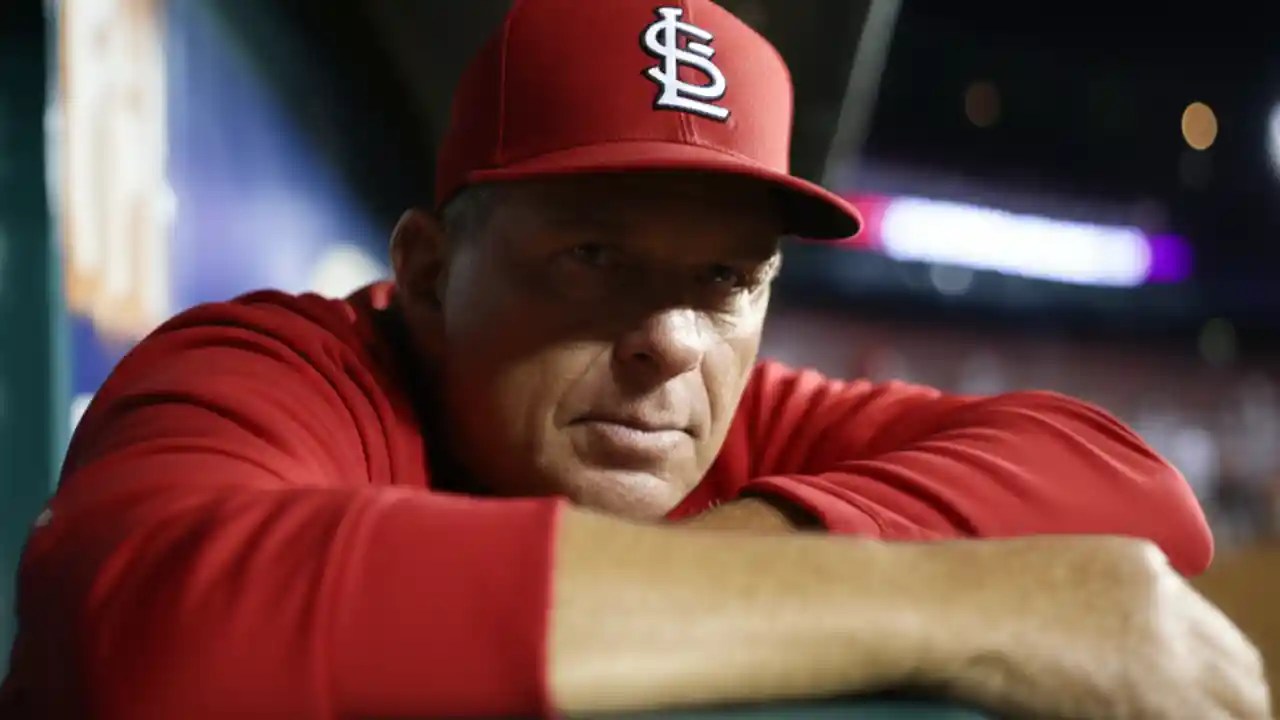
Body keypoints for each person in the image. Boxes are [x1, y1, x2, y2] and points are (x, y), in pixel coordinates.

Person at [1, 1, 1270, 718]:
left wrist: (690, 574)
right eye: (594, 257)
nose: (669, 341)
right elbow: (159, 635)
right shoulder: (285, 364)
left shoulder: (722, 405)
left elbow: (1129, 487)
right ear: (433, 270)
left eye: (725, 279)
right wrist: (972, 606)